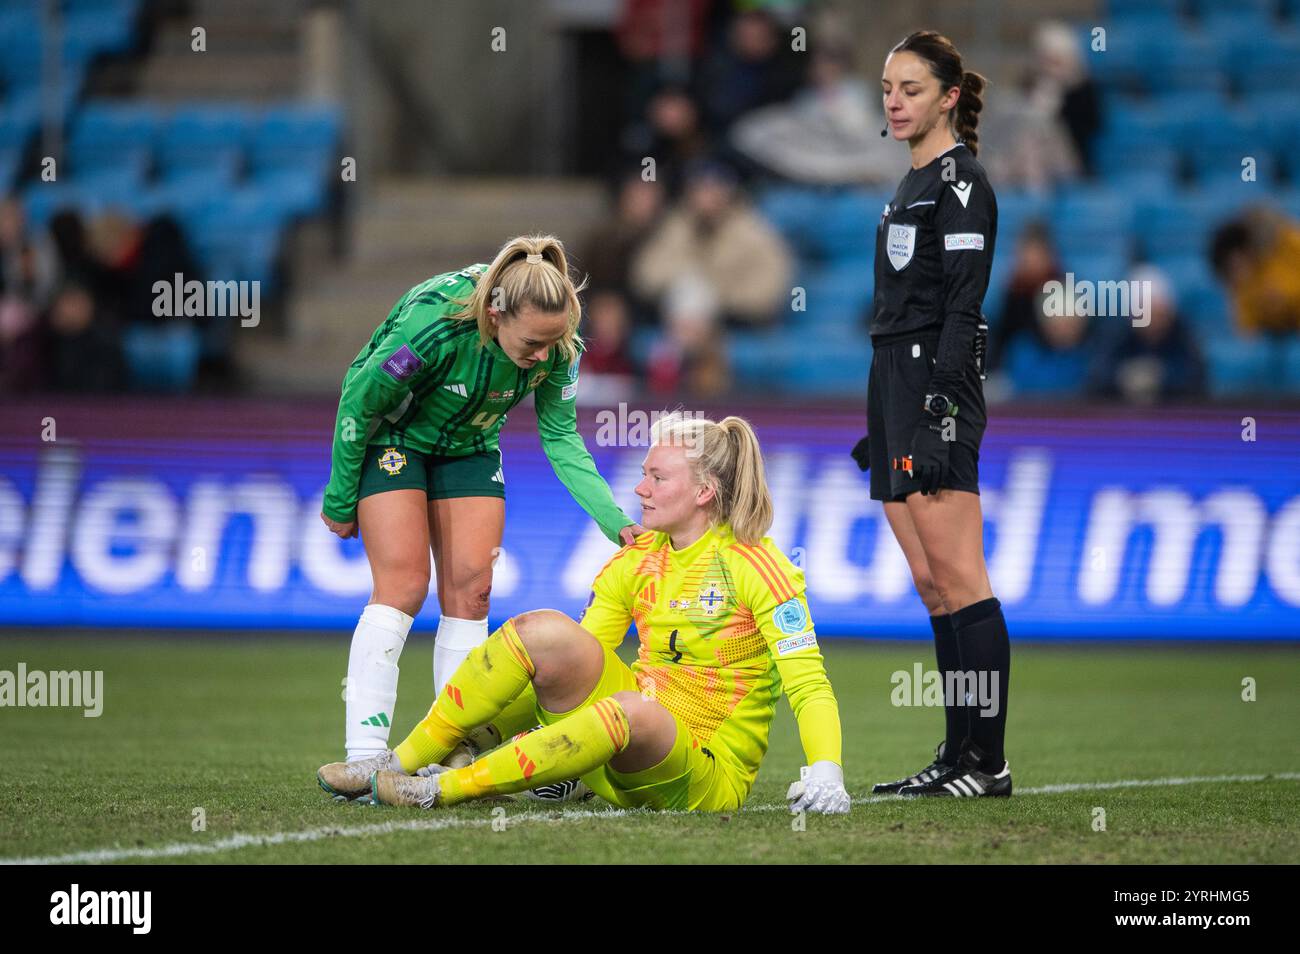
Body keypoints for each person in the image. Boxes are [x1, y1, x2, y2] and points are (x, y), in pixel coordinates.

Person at [317, 413, 850, 815]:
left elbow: (809, 685)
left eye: (658, 478)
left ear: (705, 492)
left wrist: (826, 769)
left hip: (703, 776)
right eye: (643, 473)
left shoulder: (759, 565)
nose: (639, 488)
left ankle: (440, 790)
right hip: (617, 743)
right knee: (543, 632)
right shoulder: (638, 559)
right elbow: (574, 665)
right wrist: (492, 731)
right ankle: (400, 761)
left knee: (633, 710)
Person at [320, 234, 642, 766]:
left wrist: (614, 521)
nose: (542, 356)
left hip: (470, 447)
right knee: (402, 587)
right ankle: (365, 756)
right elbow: (360, 398)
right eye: (532, 344)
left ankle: (451, 747)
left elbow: (560, 437)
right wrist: (341, 494)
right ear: (496, 314)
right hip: (393, 439)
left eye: (552, 342)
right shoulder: (434, 325)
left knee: (473, 592)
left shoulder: (559, 345)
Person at [854, 31, 1011, 797]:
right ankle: (955, 756)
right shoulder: (908, 184)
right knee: (930, 582)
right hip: (894, 381)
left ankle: (989, 761)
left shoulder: (961, 185)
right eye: (888, 87)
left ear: (949, 96)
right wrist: (883, 417)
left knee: (960, 574)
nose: (894, 100)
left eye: (912, 88)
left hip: (932, 384)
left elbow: (962, 307)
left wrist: (936, 407)